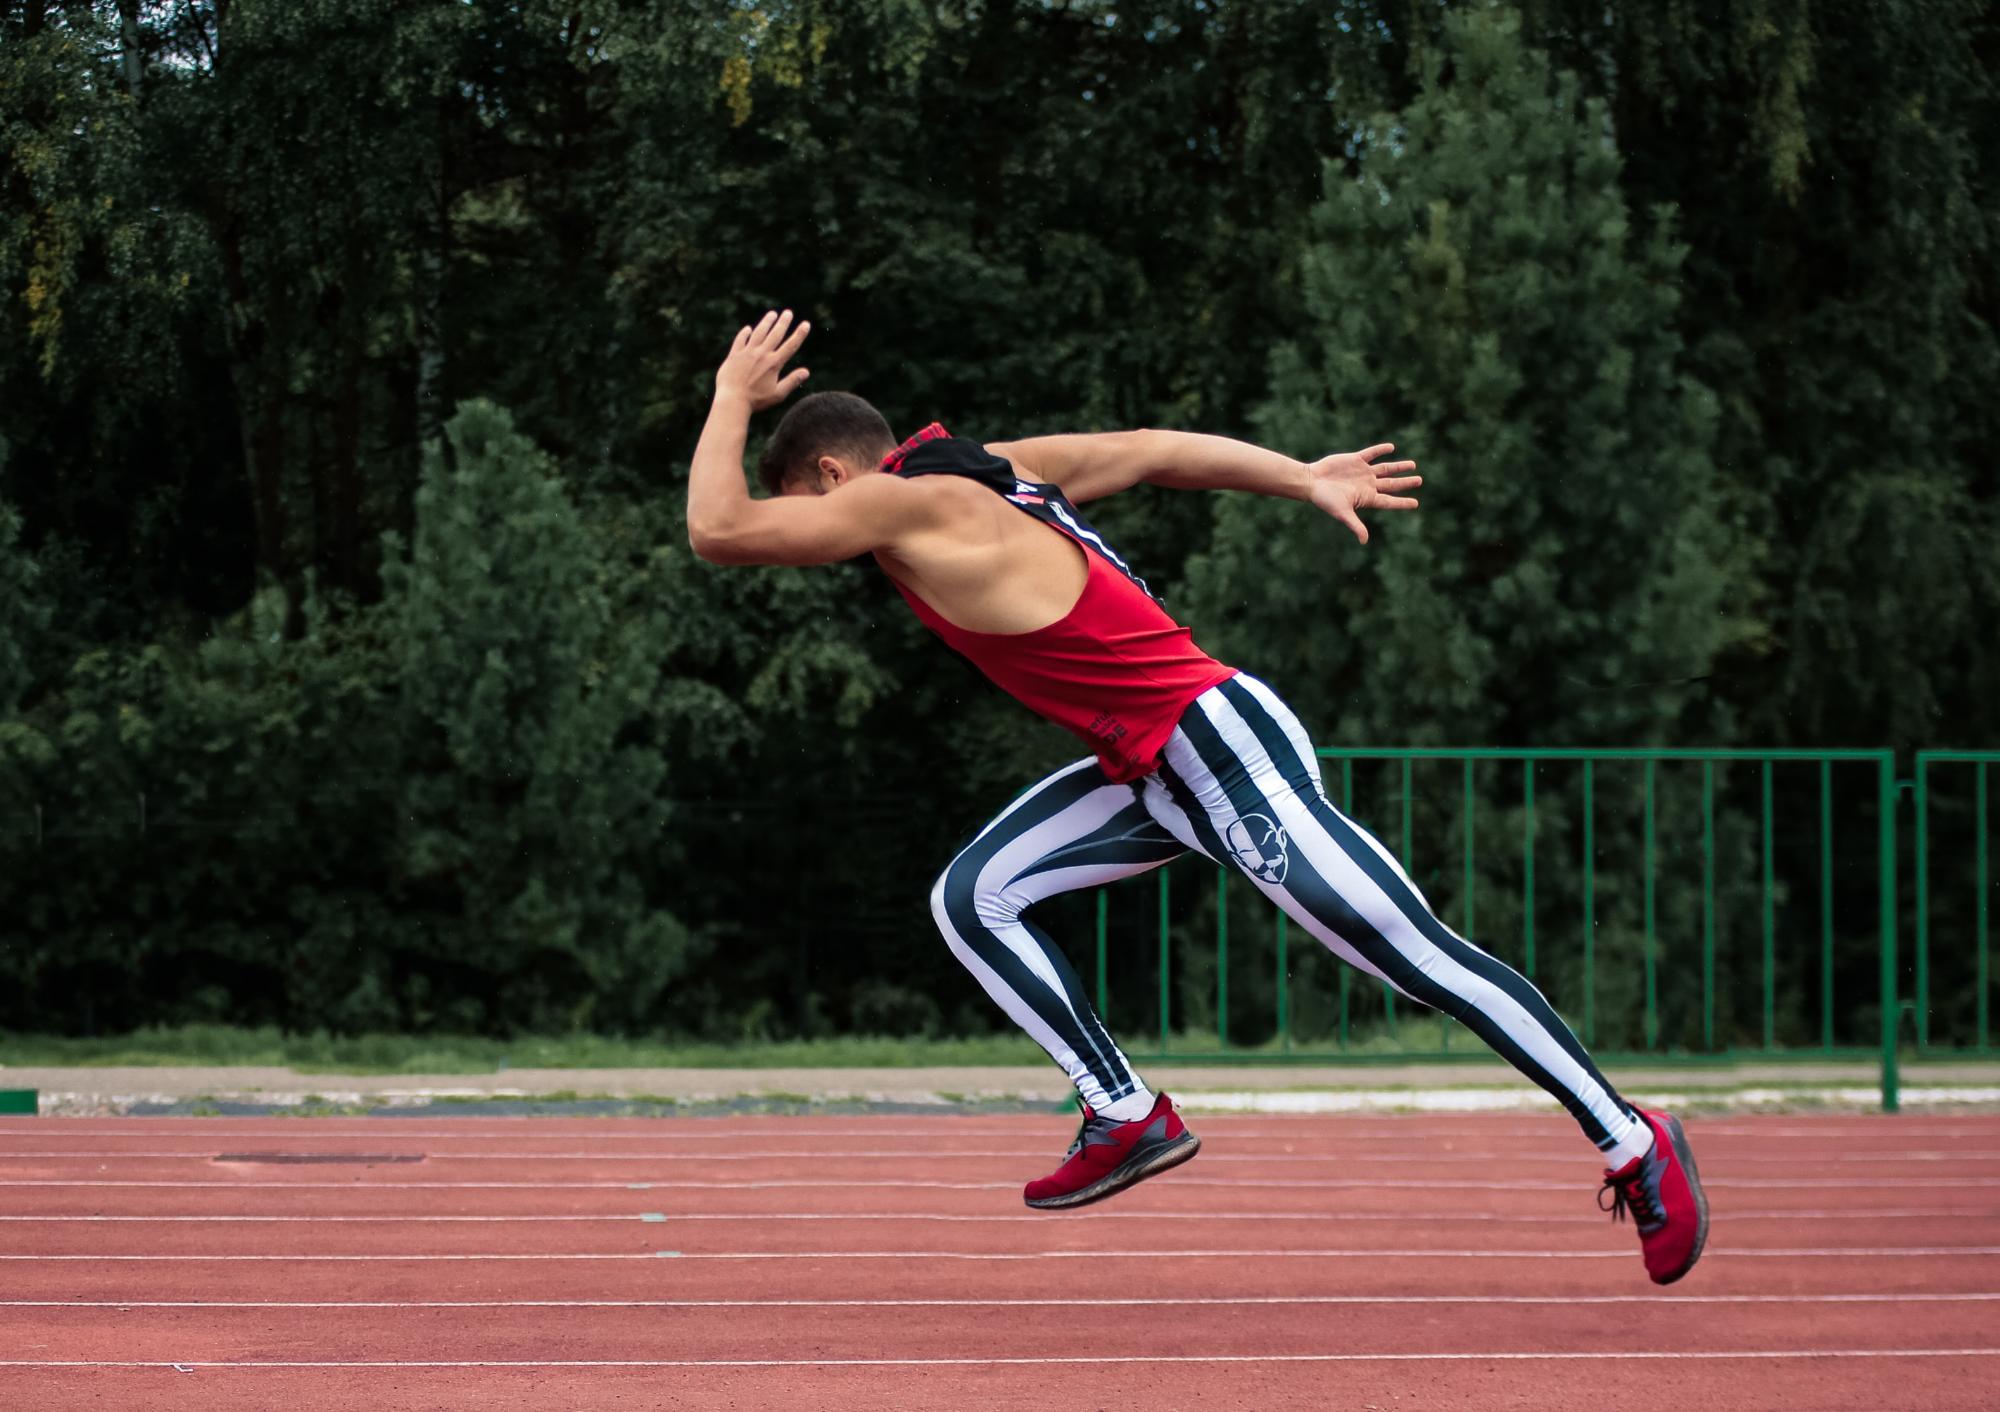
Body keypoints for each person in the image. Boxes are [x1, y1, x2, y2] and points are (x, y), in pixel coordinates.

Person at [687, 309, 1709, 1285]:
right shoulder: (996, 468)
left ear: (831, 473)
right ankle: (1123, 1110)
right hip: (1153, 770)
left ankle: (1631, 1138)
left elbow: (716, 529)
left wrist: (731, 392)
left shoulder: (897, 497)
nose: (813, 538)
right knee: (972, 896)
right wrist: (1299, 476)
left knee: (1415, 956)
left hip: (1219, 752)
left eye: (805, 508)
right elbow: (1153, 445)